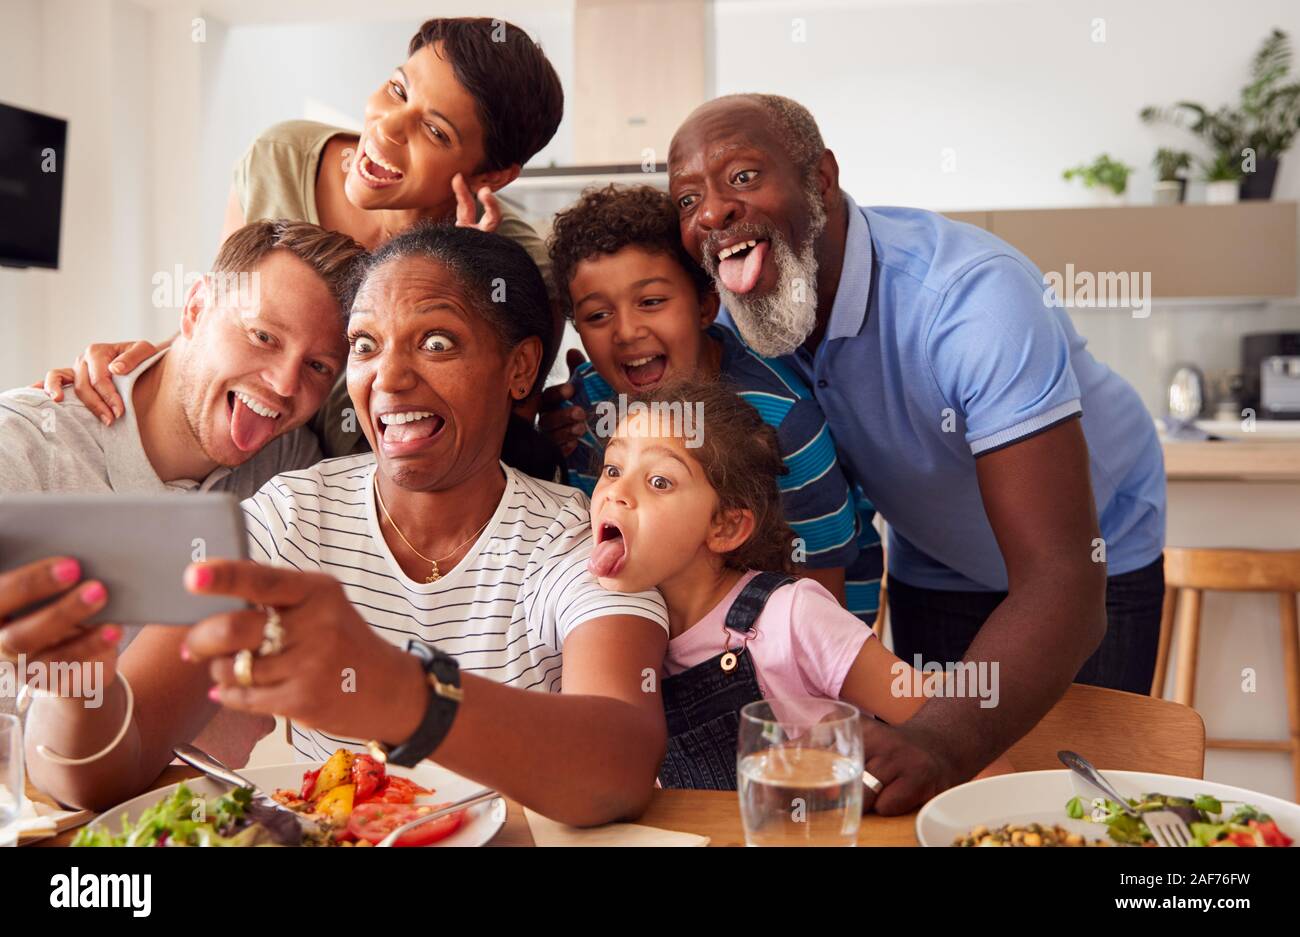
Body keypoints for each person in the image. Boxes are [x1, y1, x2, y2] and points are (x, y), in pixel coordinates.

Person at [16, 225, 670, 827]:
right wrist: (79, 684)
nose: (389, 375)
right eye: (364, 345)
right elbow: (110, 769)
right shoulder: (284, 518)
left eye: (435, 342)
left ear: (520, 367)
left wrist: (401, 693)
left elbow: (621, 764)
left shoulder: (576, 538)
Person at [664, 93, 1166, 813]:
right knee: (949, 805)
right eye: (688, 199)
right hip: (936, 555)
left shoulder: (969, 301)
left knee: (1079, 799)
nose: (712, 213)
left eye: (742, 177)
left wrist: (939, 740)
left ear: (821, 179)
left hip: (1095, 556)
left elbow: (1063, 580)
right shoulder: (753, 314)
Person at [43, 15, 566, 467]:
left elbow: (498, 444)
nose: (386, 129)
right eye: (399, 90)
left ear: (493, 177)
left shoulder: (520, 269)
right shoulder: (281, 158)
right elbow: (229, 316)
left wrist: (460, 283)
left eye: (435, 132)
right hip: (263, 460)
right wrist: (138, 367)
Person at [0, 220, 366, 753]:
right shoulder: (22, 444)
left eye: (317, 365)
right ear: (194, 309)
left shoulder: (291, 470)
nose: (286, 385)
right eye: (263, 336)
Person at [586, 379, 1012, 789]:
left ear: (725, 526)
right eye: (612, 468)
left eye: (660, 481)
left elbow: (943, 726)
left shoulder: (792, 615)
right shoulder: (615, 635)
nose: (617, 493)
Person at [541, 183, 882, 621]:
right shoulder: (585, 411)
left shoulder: (783, 419)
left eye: (651, 302)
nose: (626, 332)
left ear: (706, 306)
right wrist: (550, 451)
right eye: (597, 315)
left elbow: (821, 584)